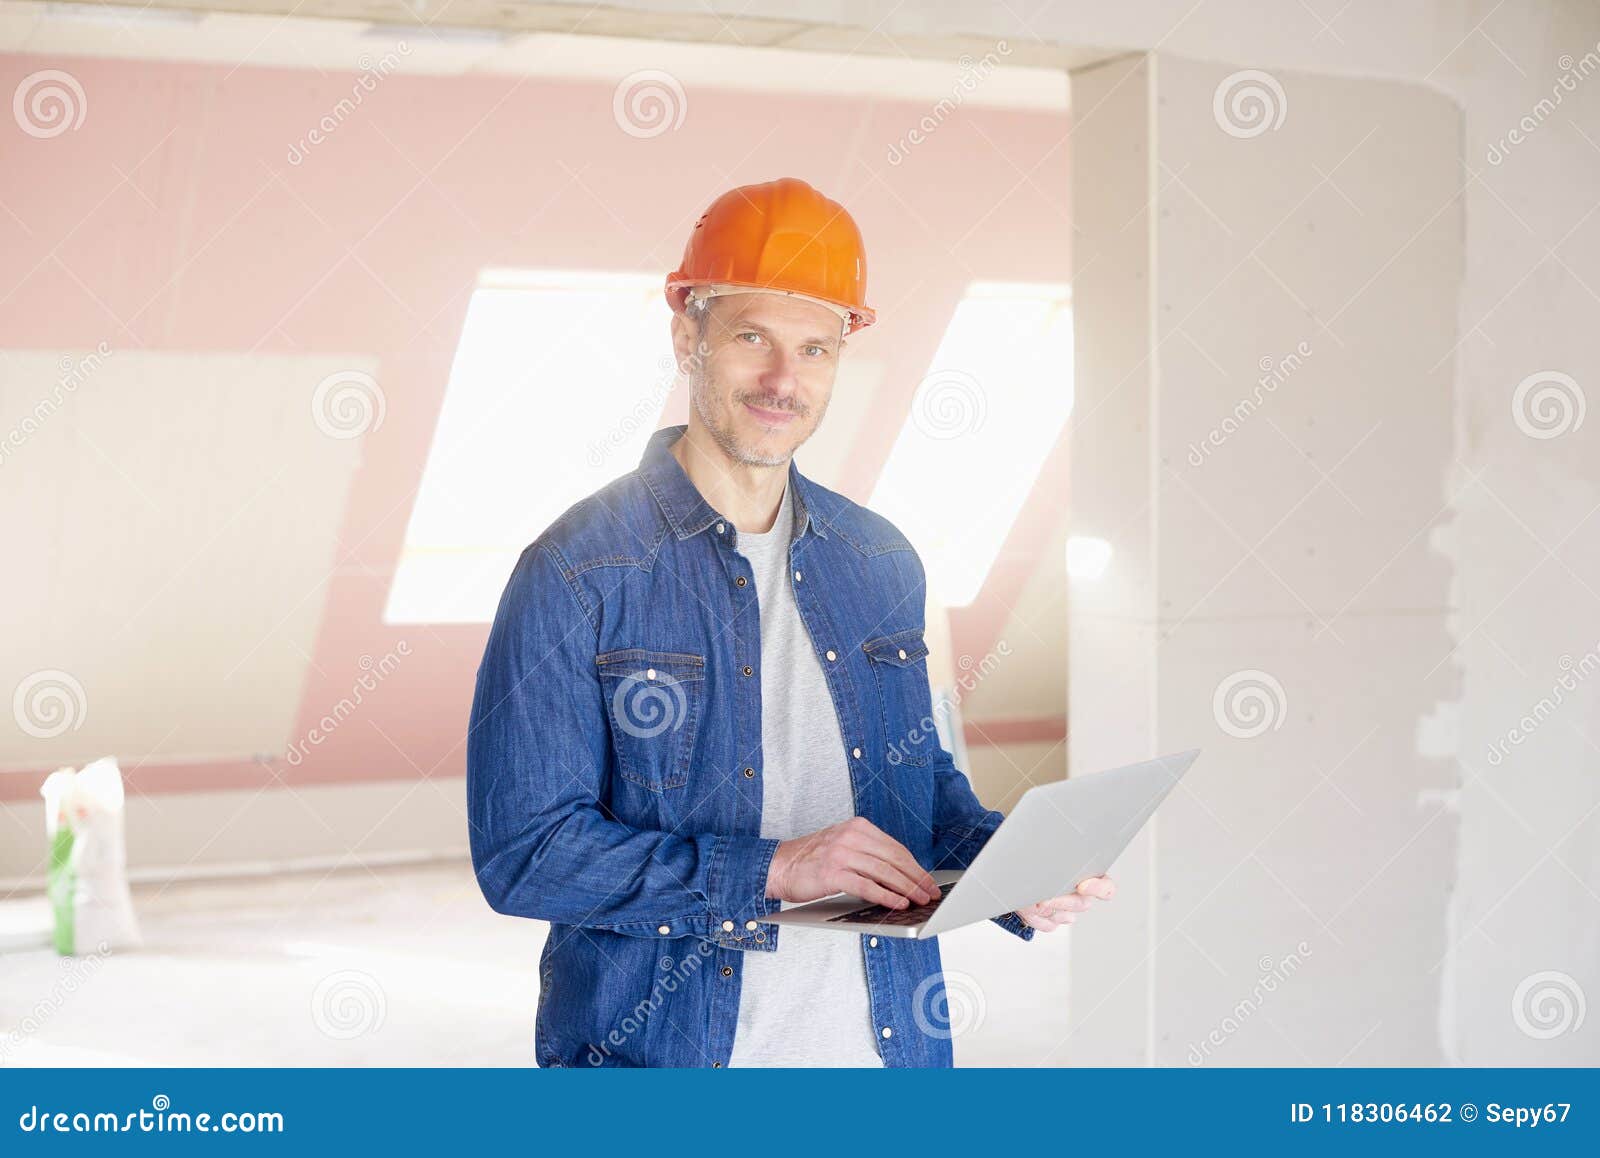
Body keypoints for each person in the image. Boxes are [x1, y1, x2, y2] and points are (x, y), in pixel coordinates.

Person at [467, 176, 1115, 1068]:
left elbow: (915, 788)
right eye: (751, 338)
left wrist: (1010, 869)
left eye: (815, 349)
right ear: (686, 334)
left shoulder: (879, 559)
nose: (784, 380)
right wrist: (771, 871)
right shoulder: (579, 570)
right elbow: (526, 855)